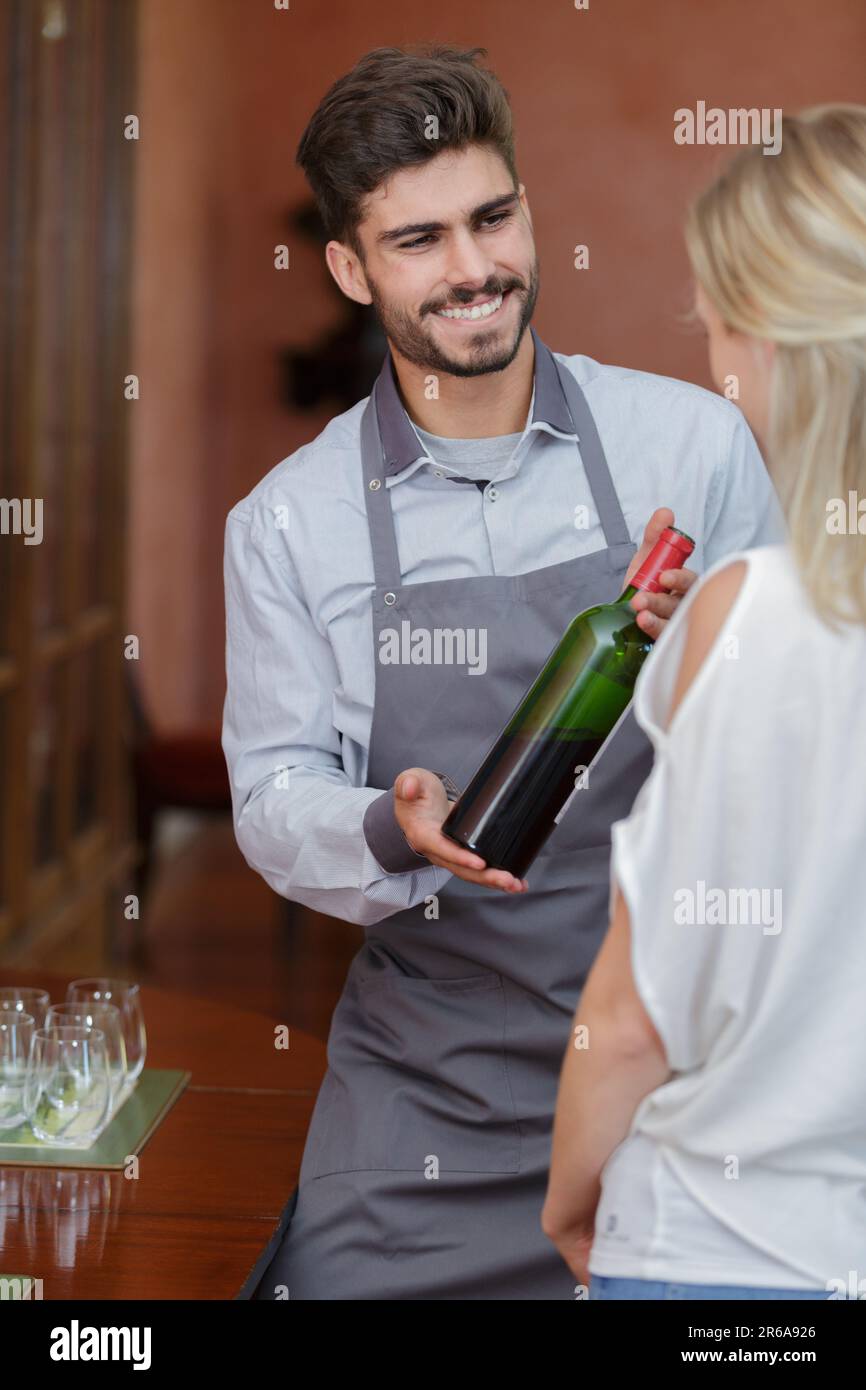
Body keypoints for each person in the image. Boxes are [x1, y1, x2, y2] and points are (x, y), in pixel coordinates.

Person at [222, 44, 785, 1300]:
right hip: (430, 1085)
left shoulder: (687, 445)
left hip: (675, 1065)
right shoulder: (285, 523)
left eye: (491, 218)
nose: (473, 270)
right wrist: (388, 820)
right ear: (350, 269)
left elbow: (794, 754)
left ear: (528, 213)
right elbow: (268, 796)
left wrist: (712, 646)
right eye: (417, 241)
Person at [543, 103, 866, 1301]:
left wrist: (571, 1197)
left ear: (767, 338)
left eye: (712, 315)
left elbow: (632, 1018)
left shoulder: (752, 614)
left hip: (725, 1262)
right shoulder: (739, 621)